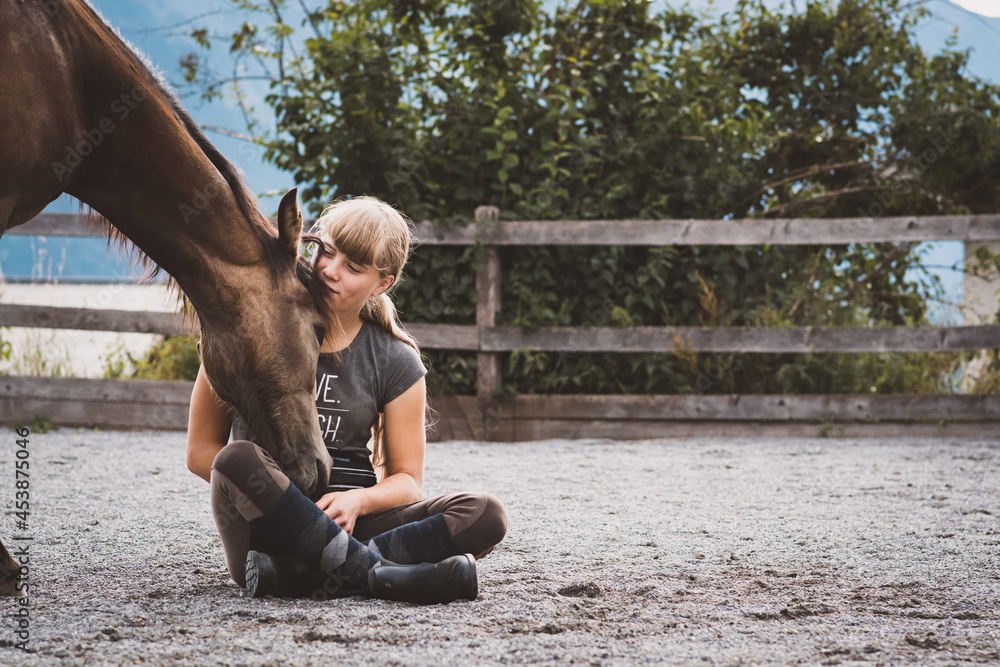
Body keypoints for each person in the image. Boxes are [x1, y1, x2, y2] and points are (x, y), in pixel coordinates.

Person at [186, 196, 507, 603]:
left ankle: (300, 577)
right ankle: (382, 574)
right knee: (235, 458)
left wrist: (357, 501)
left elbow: (407, 481)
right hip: (267, 528)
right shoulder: (247, 330)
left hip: (357, 524)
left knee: (485, 513)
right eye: (326, 252)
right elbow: (201, 452)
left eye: (353, 268)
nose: (330, 271)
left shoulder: (395, 360)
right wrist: (285, 503)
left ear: (383, 282)